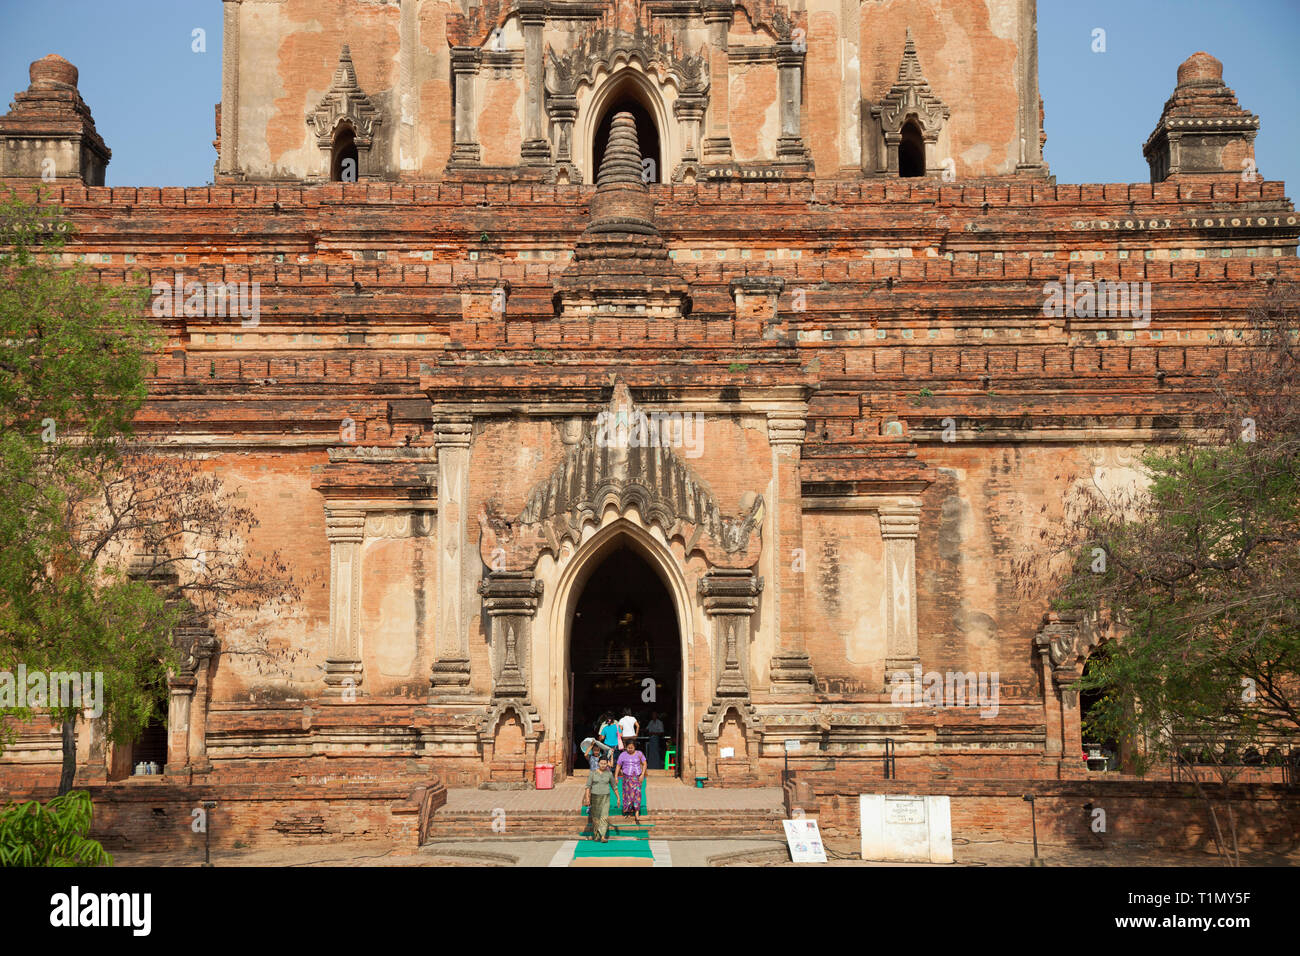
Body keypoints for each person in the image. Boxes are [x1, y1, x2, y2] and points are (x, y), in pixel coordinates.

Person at [614, 739, 648, 824]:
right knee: (627, 794)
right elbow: (618, 766)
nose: (630, 749)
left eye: (631, 748)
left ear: (634, 747)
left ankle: (636, 812)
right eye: (628, 748)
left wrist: (642, 774)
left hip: (637, 777)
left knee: (637, 794)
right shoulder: (623, 755)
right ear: (626, 747)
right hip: (626, 778)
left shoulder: (639, 754)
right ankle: (628, 811)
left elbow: (644, 763)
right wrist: (616, 777)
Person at [584, 755, 615, 842]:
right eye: (601, 763)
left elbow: (614, 786)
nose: (603, 765)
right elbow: (588, 786)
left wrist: (618, 797)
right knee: (596, 817)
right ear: (598, 763)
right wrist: (587, 797)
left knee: (604, 816)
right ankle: (596, 835)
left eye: (605, 764)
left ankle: (603, 836)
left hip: (606, 797)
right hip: (595, 797)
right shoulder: (592, 773)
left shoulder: (609, 774)